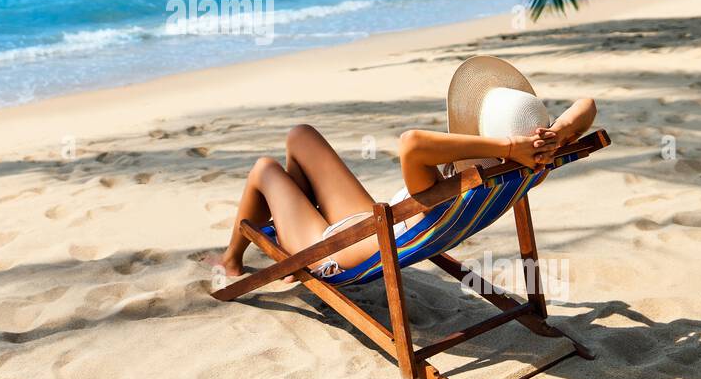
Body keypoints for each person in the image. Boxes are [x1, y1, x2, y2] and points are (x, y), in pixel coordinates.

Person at [217, 56, 596, 281]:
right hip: (365, 227)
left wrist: (509, 145)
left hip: (345, 251)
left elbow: (411, 142)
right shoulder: (536, 164)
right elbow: (587, 106)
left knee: (265, 169)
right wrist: (555, 135)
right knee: (301, 136)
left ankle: (232, 261)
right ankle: (295, 227)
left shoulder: (443, 187)